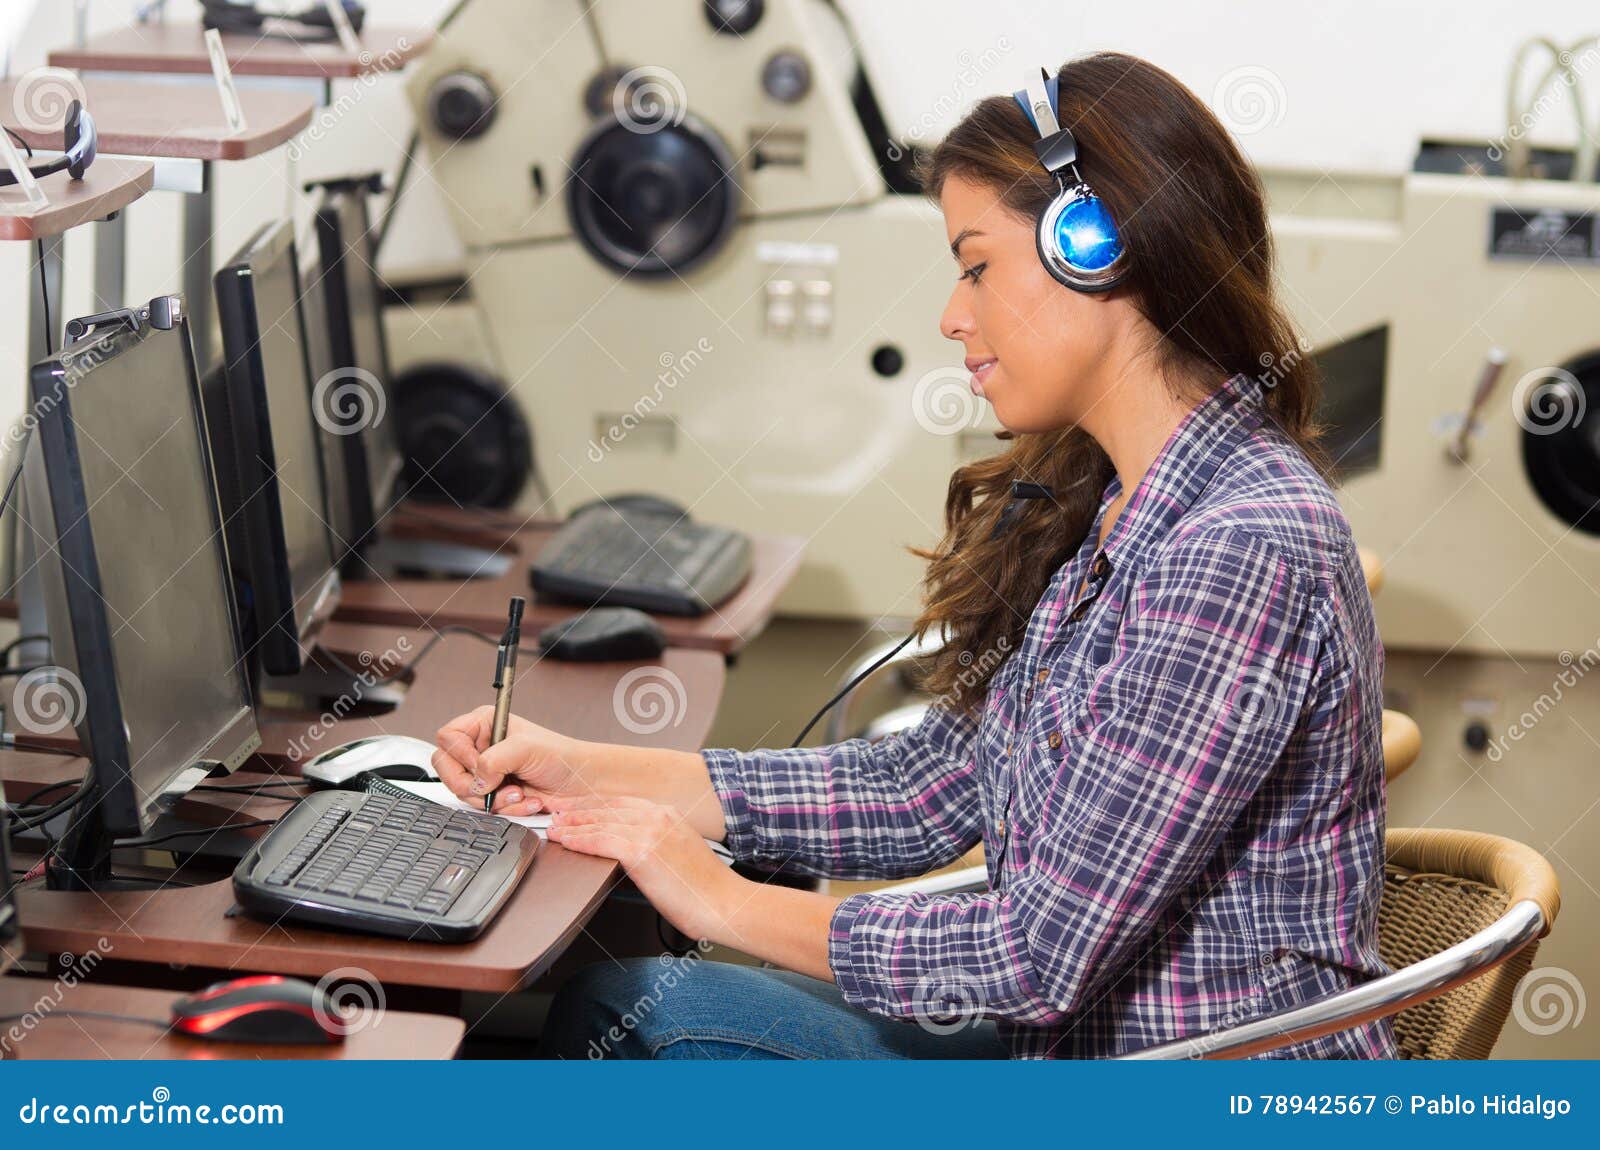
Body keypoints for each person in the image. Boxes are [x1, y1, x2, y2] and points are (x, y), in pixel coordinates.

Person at [432, 51, 1398, 1060]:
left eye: (976, 264)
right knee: (621, 1004)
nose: (952, 315)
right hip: (1076, 1040)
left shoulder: (1236, 545)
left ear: (1095, 247)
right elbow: (930, 786)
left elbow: (1034, 954)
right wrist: (597, 773)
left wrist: (715, 896)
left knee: (640, 1024)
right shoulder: (1134, 509)